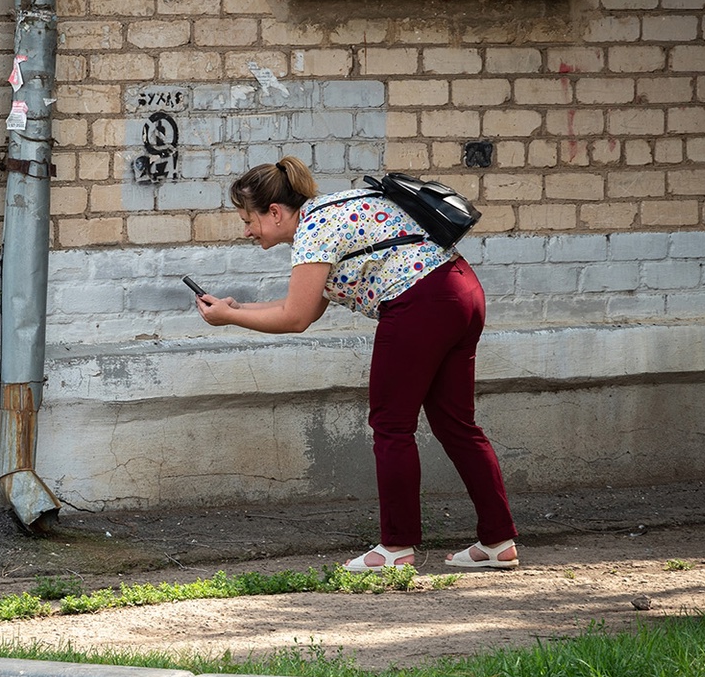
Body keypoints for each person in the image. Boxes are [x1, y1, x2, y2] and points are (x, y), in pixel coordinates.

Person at [193, 156, 519, 571]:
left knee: (391, 425)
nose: (246, 231)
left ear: (274, 212)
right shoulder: (333, 210)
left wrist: (228, 318)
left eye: (248, 219)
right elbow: (307, 309)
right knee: (456, 423)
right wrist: (237, 308)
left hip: (420, 303)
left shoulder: (312, 232)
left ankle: (396, 548)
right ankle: (497, 541)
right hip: (461, 292)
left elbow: (295, 319)